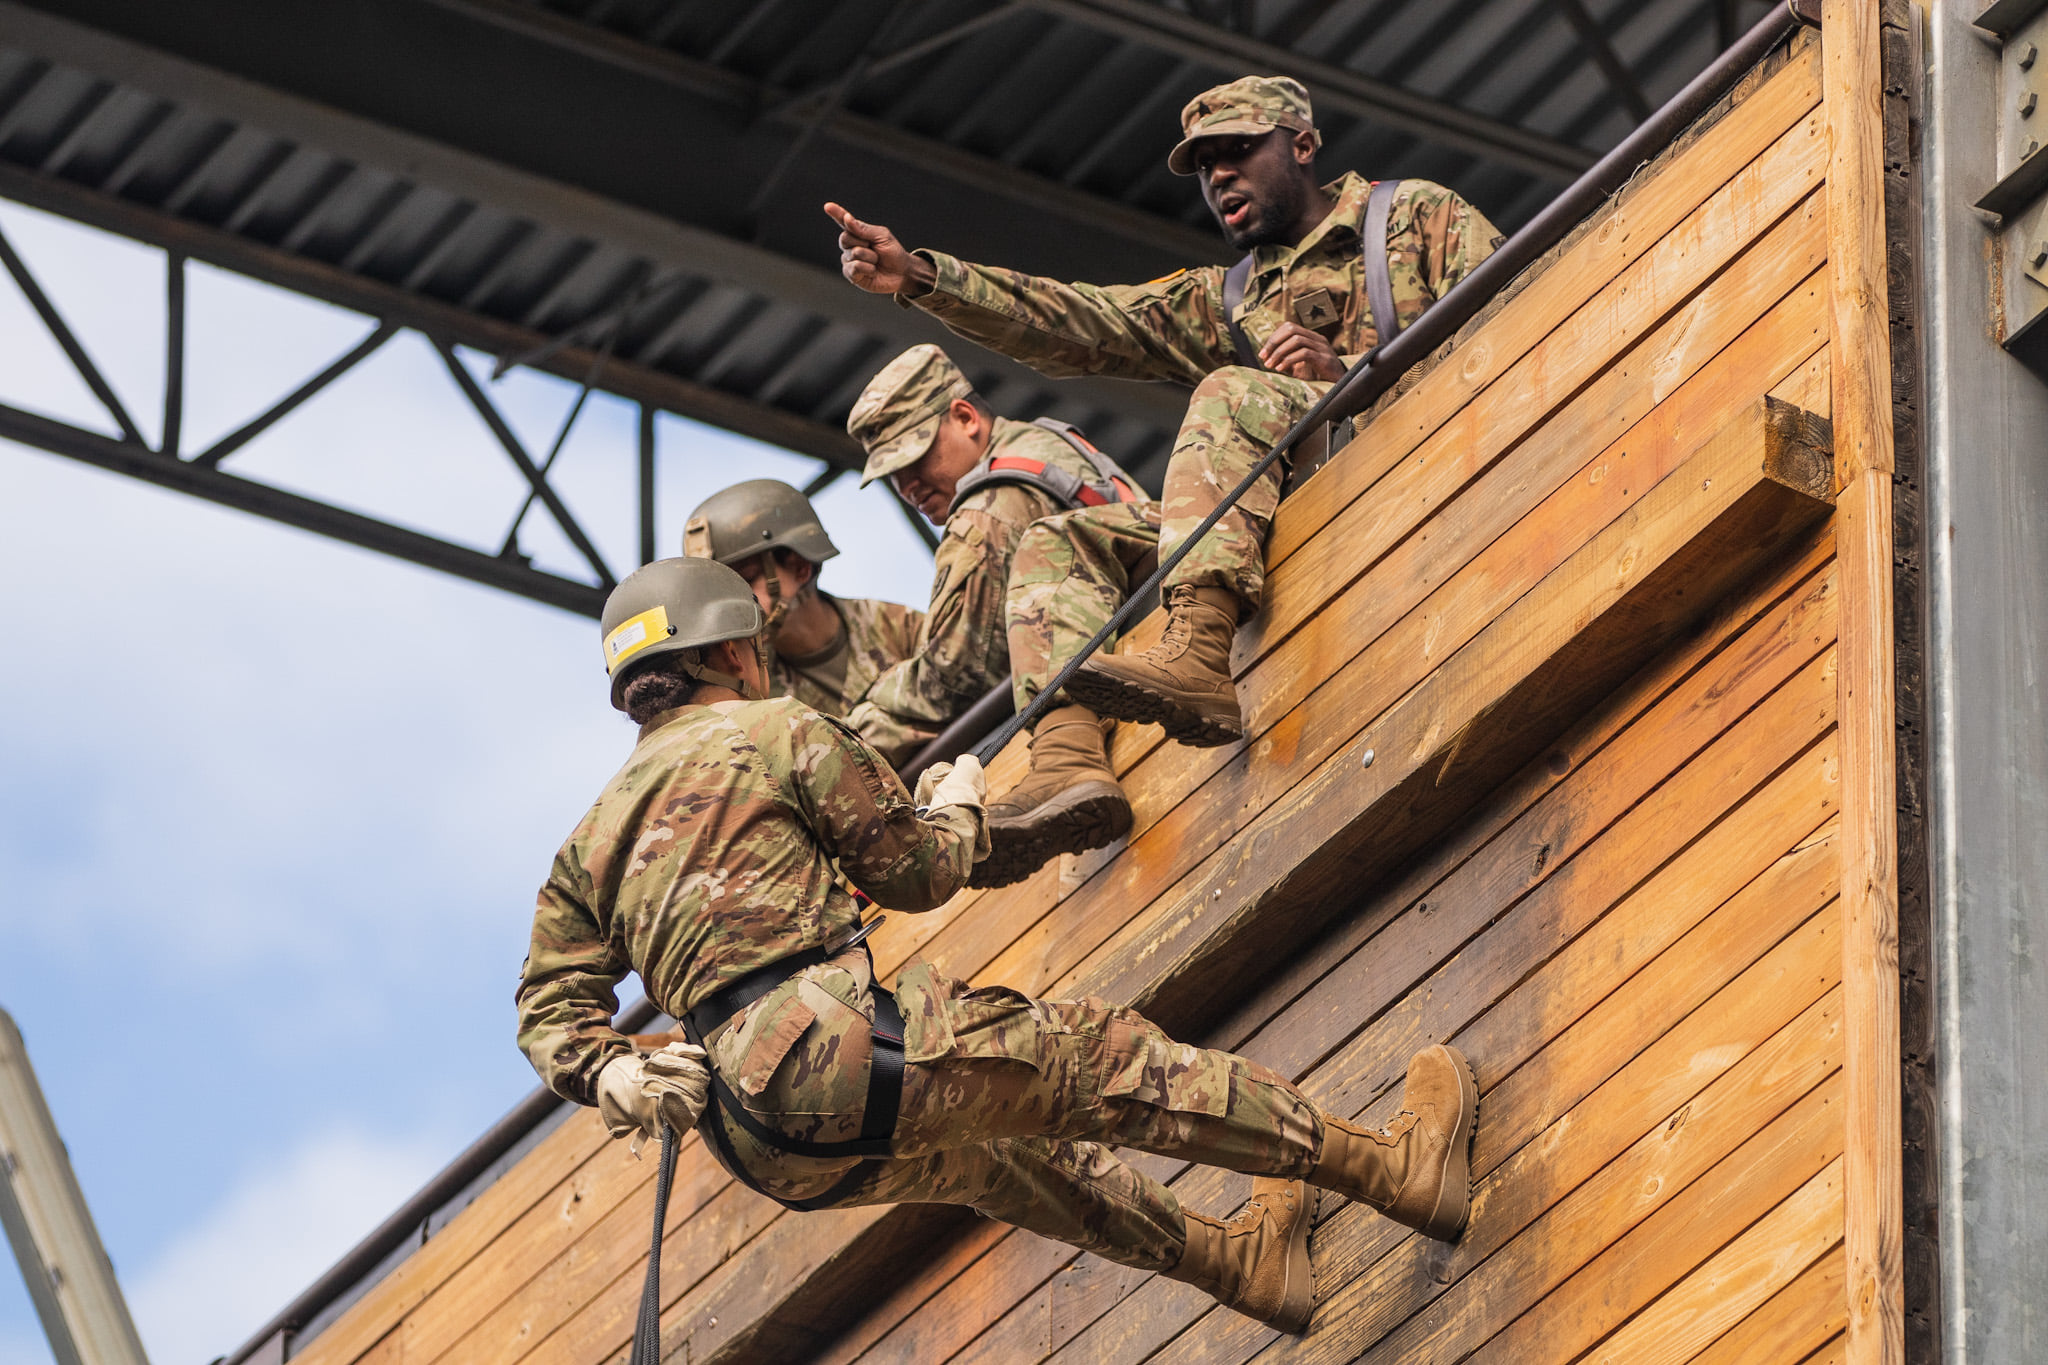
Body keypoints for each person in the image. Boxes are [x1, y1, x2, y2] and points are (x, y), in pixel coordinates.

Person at [515, 557, 1483, 1335]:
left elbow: (546, 1008)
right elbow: (916, 876)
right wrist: (959, 810)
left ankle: (1244, 1269)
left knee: (1002, 1164)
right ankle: (1393, 1171)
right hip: (839, 1055)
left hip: (754, 1140)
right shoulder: (775, 733)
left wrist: (610, 1075)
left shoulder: (589, 840)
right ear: (729, 654)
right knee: (1108, 1067)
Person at [826, 75, 1502, 753]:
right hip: (1286, 517)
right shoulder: (1228, 299)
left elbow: (1523, 328)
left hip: (1415, 468)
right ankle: (1065, 762)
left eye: (1238, 149)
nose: (1220, 176)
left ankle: (1198, 652)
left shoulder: (1413, 218)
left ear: (1301, 145)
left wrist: (1350, 381)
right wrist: (922, 279)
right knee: (1055, 543)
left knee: (1229, 391)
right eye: (1205, 166)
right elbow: (1084, 321)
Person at [841, 345, 1153, 883]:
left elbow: (956, 672)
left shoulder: (991, 506)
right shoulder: (1048, 446)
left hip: (1116, 703)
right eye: (894, 473)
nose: (909, 486)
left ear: (965, 418)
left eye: (916, 457)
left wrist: (851, 740)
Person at [683, 478, 922, 717]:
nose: (731, 606)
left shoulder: (900, 628)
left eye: (745, 580)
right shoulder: (746, 687)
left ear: (800, 567)